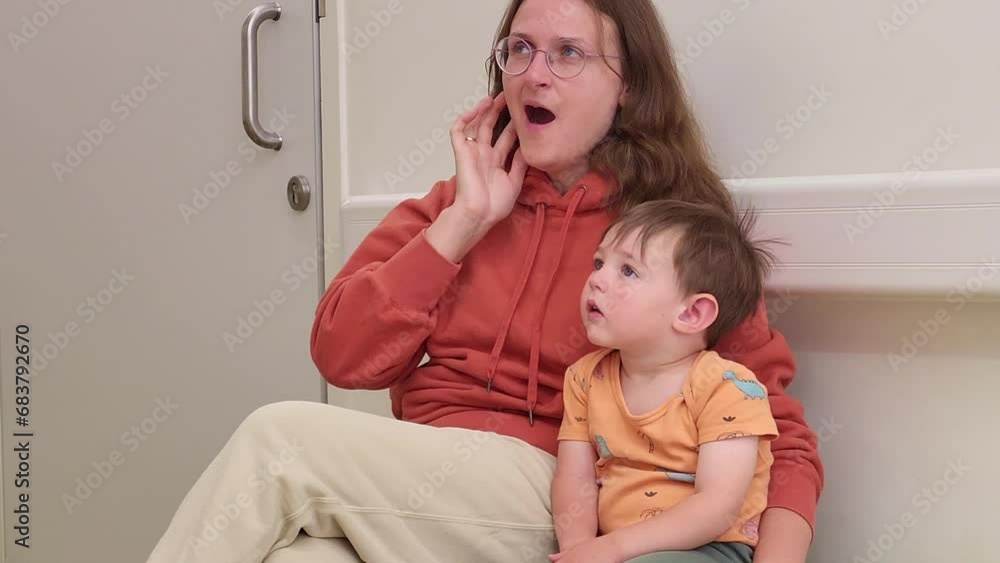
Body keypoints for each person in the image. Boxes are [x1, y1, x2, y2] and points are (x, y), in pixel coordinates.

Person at [146, 0, 823, 562]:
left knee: (280, 441)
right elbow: (340, 352)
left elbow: (778, 429)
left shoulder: (666, 237)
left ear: (630, 87)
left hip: (561, 486)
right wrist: (465, 220)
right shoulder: (457, 201)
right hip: (434, 486)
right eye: (519, 50)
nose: (535, 74)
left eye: (568, 53)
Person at [548, 199, 781, 563]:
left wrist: (611, 549)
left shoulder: (727, 388)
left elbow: (717, 507)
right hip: (613, 547)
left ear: (691, 313)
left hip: (707, 549)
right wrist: (578, 548)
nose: (596, 279)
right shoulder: (585, 378)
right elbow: (574, 480)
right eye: (599, 263)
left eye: (628, 271)